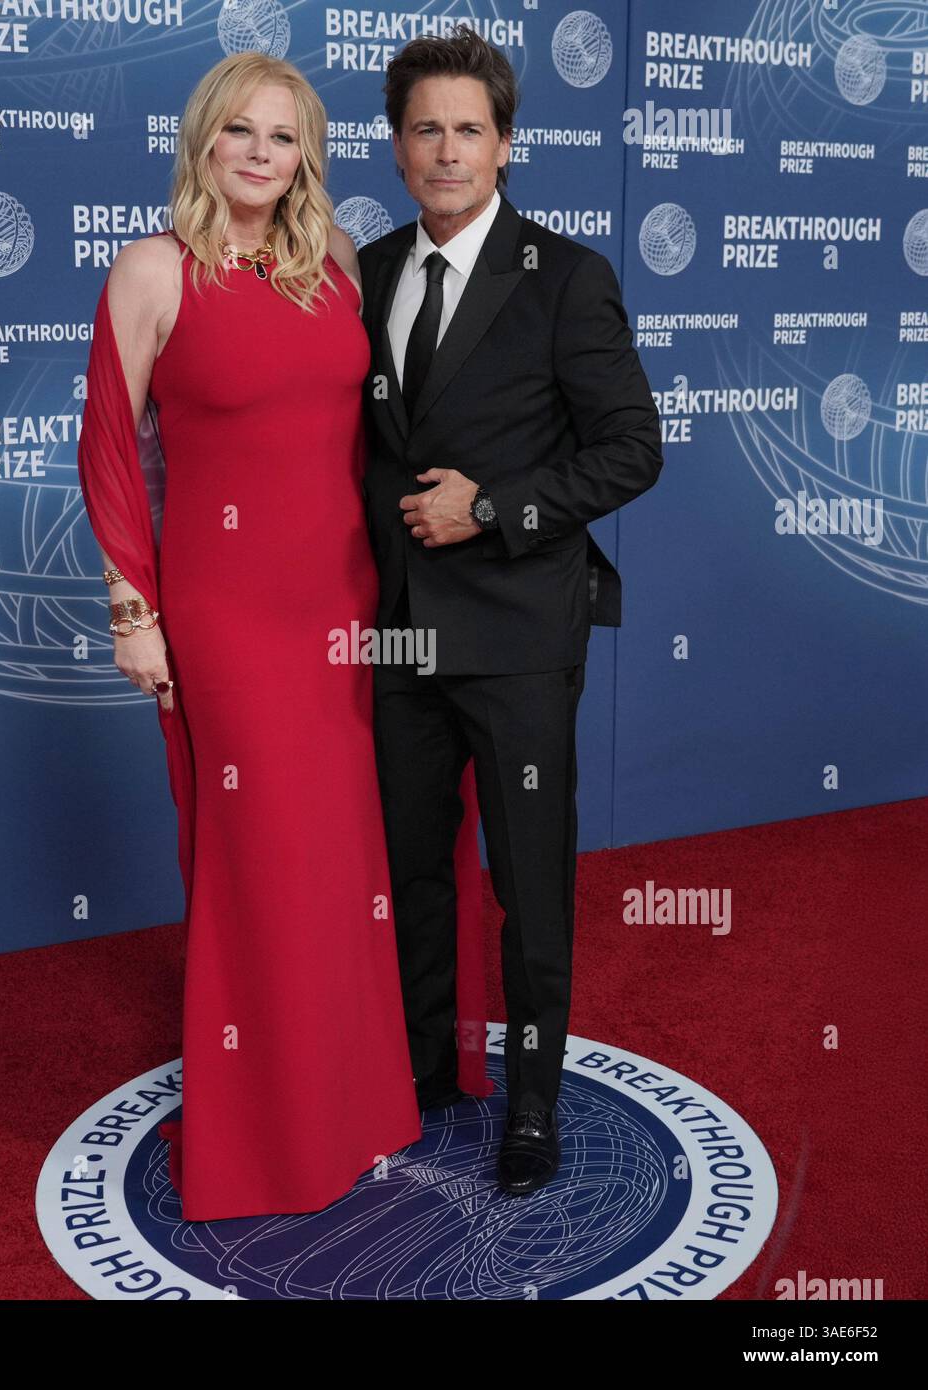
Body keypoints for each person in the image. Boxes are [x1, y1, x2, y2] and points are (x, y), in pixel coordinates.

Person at [76, 51, 489, 1223]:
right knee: (263, 860)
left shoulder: (335, 271)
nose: (261, 155)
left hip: (347, 609)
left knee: (346, 861)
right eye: (240, 133)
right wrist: (132, 615)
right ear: (205, 142)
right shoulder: (153, 271)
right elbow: (108, 448)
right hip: (229, 612)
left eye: (285, 135)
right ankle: (271, 1135)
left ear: (308, 151)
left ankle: (357, 1105)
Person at [358, 29, 663, 1195]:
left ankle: (530, 1105)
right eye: (425, 128)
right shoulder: (369, 272)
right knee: (408, 867)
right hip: (397, 631)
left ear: (505, 145)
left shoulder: (565, 276)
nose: (446, 149)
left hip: (521, 632)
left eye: (468, 129)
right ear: (396, 148)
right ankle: (424, 1069)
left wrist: (494, 506)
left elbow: (630, 450)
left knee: (528, 885)